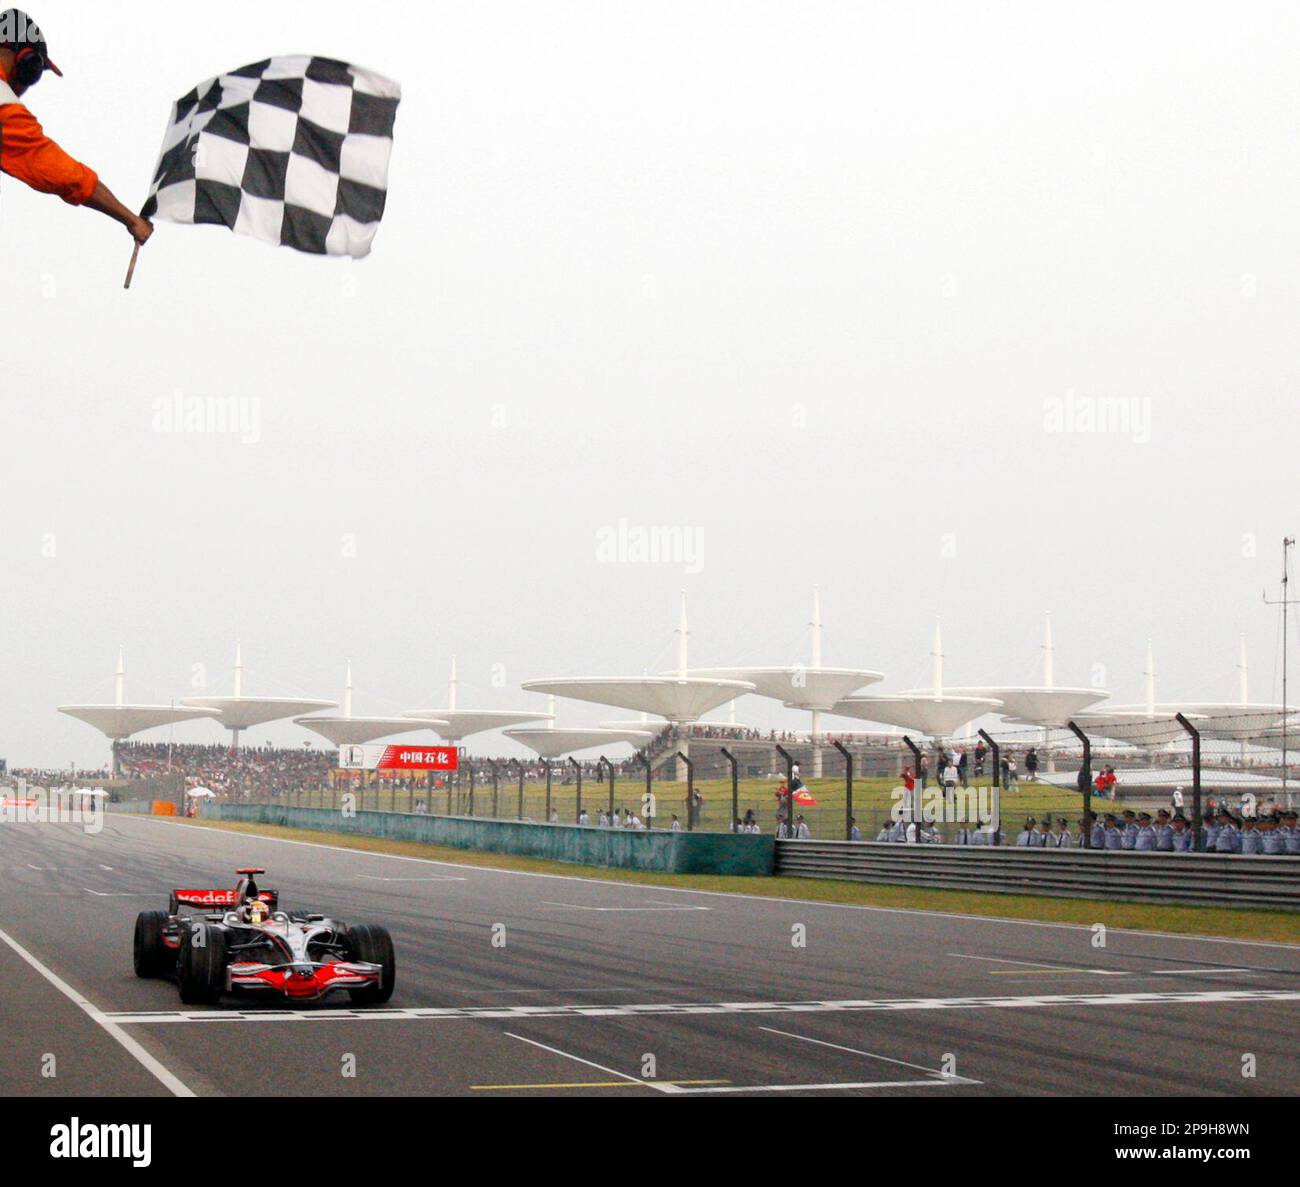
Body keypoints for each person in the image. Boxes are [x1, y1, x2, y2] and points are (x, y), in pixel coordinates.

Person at [0, 10, 153, 247]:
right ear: (26, 63)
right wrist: (130, 219)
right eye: (36, 73)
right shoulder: (3, 107)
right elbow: (64, 174)